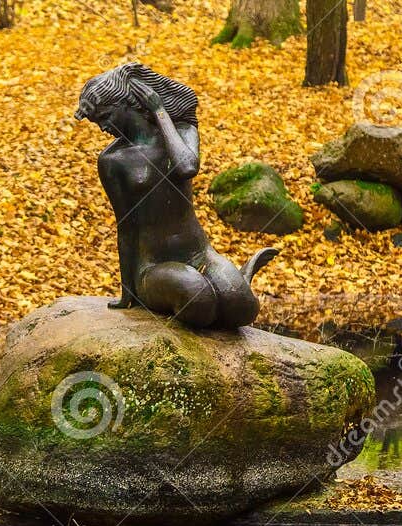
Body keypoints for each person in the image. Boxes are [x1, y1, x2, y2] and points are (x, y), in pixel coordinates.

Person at [75, 63, 276, 331]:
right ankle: (214, 286)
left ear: (128, 104)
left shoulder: (180, 133)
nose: (102, 127)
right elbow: (126, 226)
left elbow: (187, 167)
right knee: (199, 302)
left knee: (243, 308)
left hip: (200, 254)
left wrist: (159, 110)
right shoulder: (113, 161)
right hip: (153, 266)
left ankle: (236, 279)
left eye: (106, 117)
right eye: (97, 121)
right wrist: (128, 293)